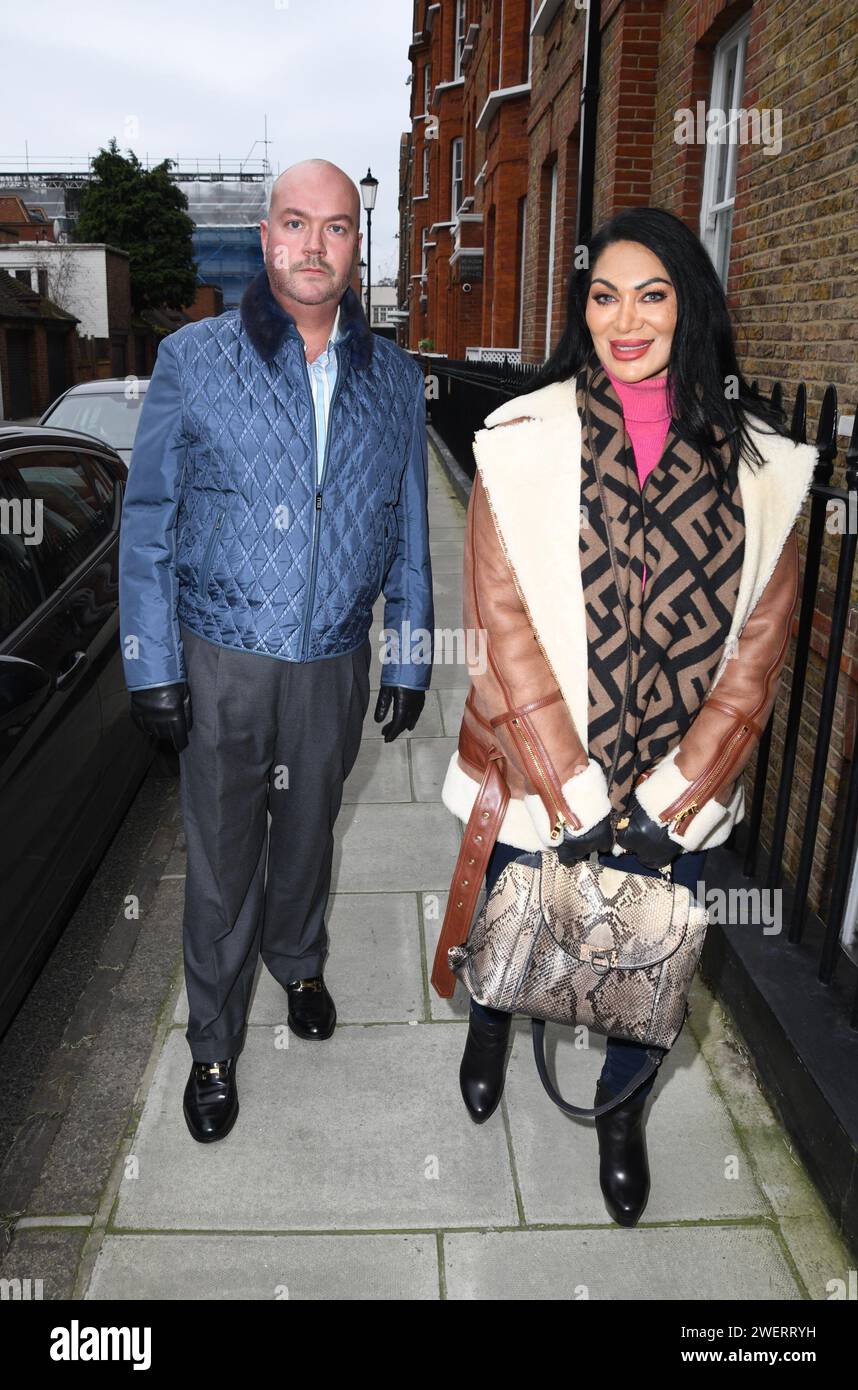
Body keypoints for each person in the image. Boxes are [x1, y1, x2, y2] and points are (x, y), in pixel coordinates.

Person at [436, 206, 817, 1225]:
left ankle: (618, 1113)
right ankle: (489, 1022)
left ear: (690, 305)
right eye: (604, 296)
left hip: (669, 794)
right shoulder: (520, 442)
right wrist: (571, 789)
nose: (626, 318)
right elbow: (500, 626)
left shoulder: (765, 467)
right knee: (514, 919)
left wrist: (670, 798)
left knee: (646, 968)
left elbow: (758, 652)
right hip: (540, 766)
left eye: (651, 294)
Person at [119, 159, 434, 1143]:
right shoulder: (194, 358)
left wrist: (409, 653)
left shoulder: (394, 379)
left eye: (334, 227)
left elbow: (408, 528)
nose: (313, 244)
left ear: (355, 246)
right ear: (266, 238)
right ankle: (213, 1043)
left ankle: (296, 960)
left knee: (306, 837)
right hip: (220, 660)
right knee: (221, 862)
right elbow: (149, 517)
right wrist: (152, 661)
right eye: (294, 223)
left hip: (332, 663)